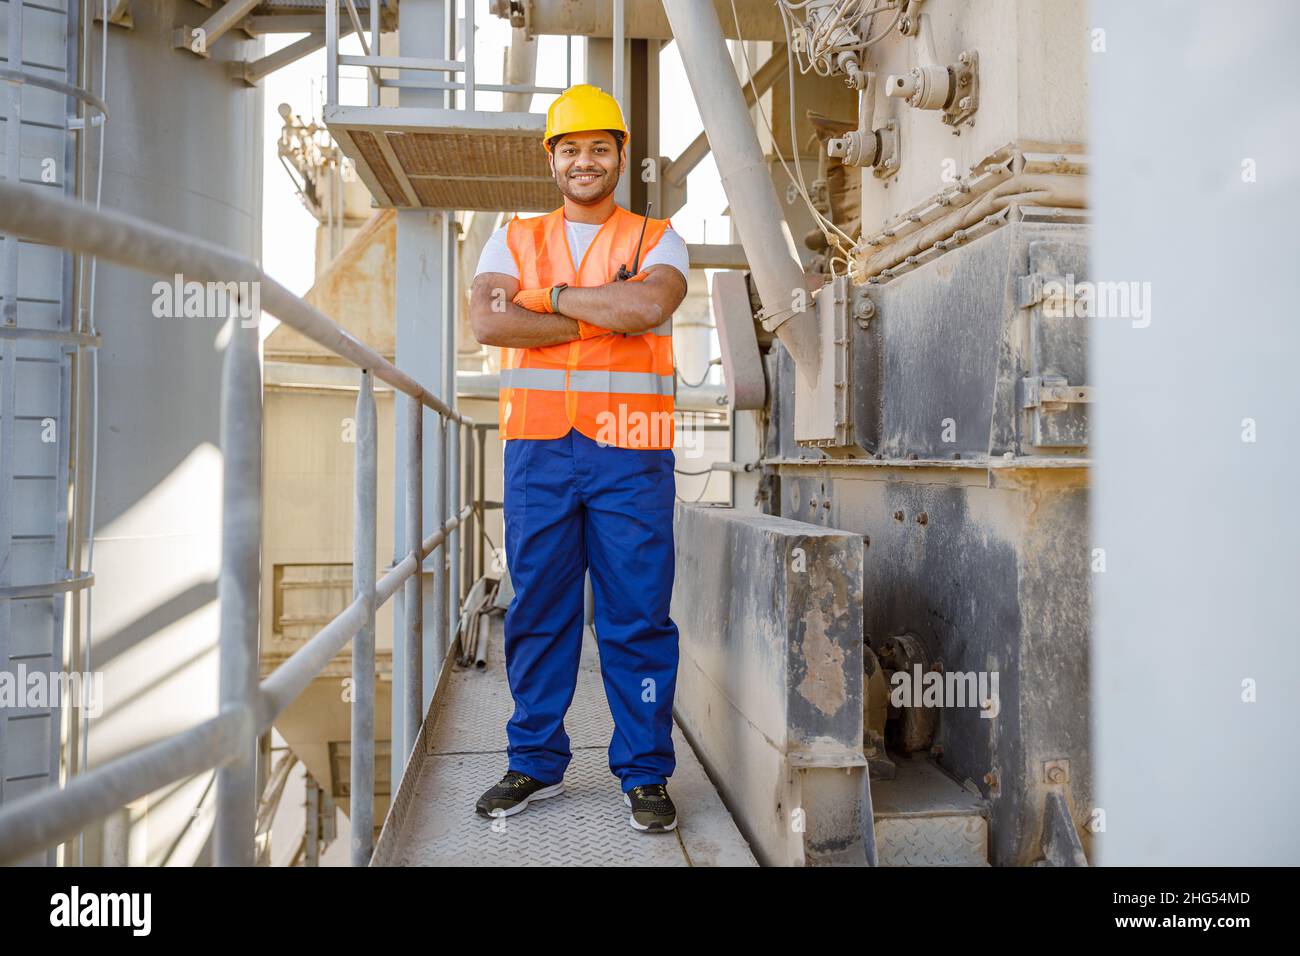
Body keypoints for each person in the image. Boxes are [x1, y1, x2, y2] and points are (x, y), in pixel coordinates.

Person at [467, 84, 690, 832]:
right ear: (552, 160)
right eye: (570, 149)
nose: (584, 161)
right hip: (538, 449)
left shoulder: (656, 238)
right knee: (538, 608)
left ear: (621, 156)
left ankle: (646, 773)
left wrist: (549, 298)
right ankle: (534, 762)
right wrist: (598, 312)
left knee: (637, 615)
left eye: (600, 148)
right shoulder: (513, 235)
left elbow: (644, 309)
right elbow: (489, 323)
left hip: (631, 449)